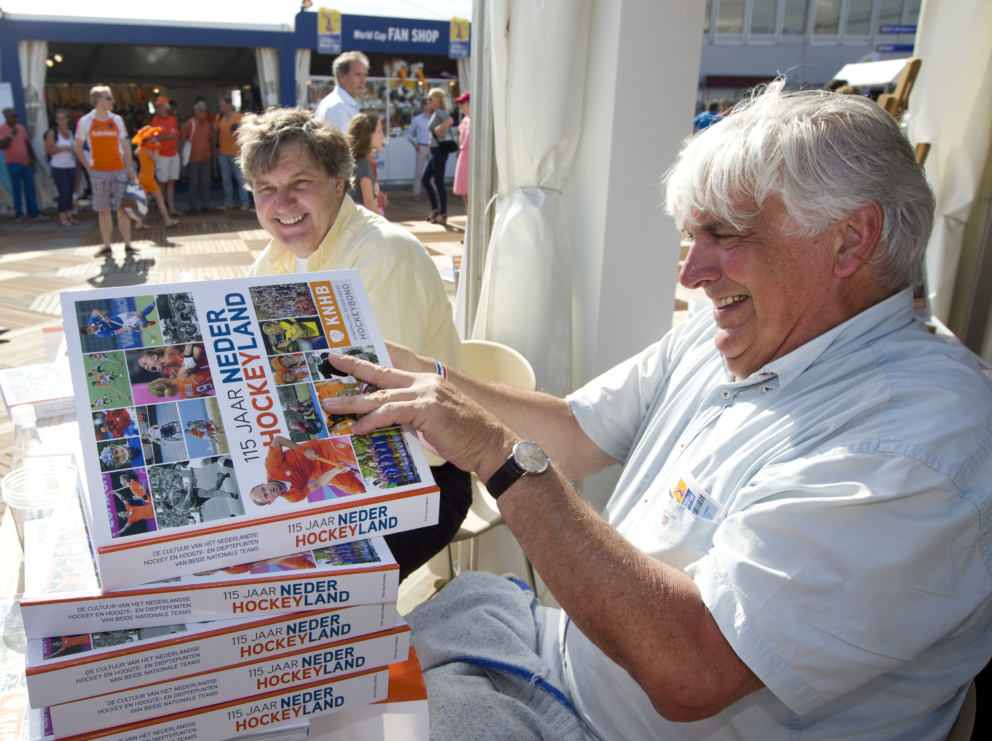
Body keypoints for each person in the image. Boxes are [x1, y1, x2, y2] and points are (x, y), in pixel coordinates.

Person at [320, 80, 992, 739]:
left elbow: (692, 670)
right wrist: (428, 380)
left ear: (851, 239)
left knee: (341, 711)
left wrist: (500, 455)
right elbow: (576, 433)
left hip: (587, 719)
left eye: (723, 233)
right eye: (690, 234)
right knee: (323, 685)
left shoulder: (922, 440)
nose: (691, 272)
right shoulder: (734, 328)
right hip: (549, 652)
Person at [236, 108, 472, 582]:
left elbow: (373, 406)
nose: (281, 203)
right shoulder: (278, 254)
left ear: (339, 181)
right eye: (265, 189)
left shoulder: (383, 255)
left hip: (419, 477)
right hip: (325, 464)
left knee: (297, 590)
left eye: (299, 182)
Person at [75, 86, 138, 257]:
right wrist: (89, 167)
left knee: (123, 208)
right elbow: (78, 146)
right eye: (108, 98)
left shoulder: (117, 120)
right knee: (103, 209)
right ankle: (107, 245)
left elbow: (125, 145)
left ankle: (127, 244)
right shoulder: (85, 122)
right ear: (98, 100)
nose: (112, 101)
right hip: (99, 170)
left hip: (119, 169)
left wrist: (130, 168)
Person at [251, 435, 365, 505]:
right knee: (361, 492)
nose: (268, 491)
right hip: (323, 473)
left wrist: (303, 451)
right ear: (271, 502)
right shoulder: (293, 497)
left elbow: (278, 440)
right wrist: (335, 471)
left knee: (357, 457)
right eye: (266, 496)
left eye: (263, 489)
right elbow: (319, 482)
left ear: (263, 484)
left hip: (320, 451)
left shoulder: (272, 467)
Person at [0, 108, 48, 222]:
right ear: (6, 117)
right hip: (12, 164)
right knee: (17, 189)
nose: (15, 118)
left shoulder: (21, 128)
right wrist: (11, 135)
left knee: (30, 188)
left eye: (16, 116)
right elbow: (1, 146)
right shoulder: (1, 130)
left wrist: (32, 157)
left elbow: (27, 143)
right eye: (12, 116)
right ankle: (19, 212)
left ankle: (33, 211)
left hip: (25, 163)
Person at [131, 125, 179, 228]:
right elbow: (156, 158)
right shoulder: (148, 148)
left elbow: (136, 153)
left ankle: (138, 223)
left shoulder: (140, 148)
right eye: (152, 137)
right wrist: (156, 147)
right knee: (160, 199)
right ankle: (167, 221)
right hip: (148, 176)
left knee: (144, 201)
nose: (154, 138)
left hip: (141, 175)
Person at [421, 88, 455, 225]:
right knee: (426, 179)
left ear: (438, 99)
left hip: (440, 150)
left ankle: (443, 212)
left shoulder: (440, 112)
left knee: (438, 181)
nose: (428, 101)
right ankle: (435, 208)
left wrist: (438, 129)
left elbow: (450, 120)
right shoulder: (436, 112)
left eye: (431, 98)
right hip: (436, 150)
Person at [314, 51, 369, 132]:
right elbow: (342, 144)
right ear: (341, 76)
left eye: (365, 75)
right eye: (358, 74)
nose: (363, 81)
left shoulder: (338, 103)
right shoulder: (340, 107)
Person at [346, 111, 388, 216]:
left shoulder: (354, 160)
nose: (382, 136)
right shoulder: (365, 162)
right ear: (367, 136)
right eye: (379, 132)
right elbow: (368, 202)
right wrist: (384, 226)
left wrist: (377, 195)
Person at [45, 108, 78, 227]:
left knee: (70, 190)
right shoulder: (53, 132)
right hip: (58, 165)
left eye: (63, 118)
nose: (61, 121)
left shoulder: (70, 132)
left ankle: (69, 215)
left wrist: (74, 150)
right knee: (63, 190)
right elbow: (48, 150)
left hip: (70, 164)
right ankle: (62, 216)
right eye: (59, 118)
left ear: (67, 119)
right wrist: (62, 149)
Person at [216, 96, 249, 210]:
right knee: (226, 179)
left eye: (223, 105)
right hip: (223, 153)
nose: (221, 108)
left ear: (229, 106)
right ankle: (228, 202)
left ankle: (245, 201)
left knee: (241, 178)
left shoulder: (240, 117)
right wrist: (215, 148)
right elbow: (216, 133)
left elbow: (248, 133)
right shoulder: (219, 117)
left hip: (237, 153)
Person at [150, 97, 182, 216]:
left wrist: (177, 152)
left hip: (173, 154)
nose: (158, 108)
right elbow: (153, 138)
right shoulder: (155, 121)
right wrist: (166, 137)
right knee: (162, 183)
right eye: (157, 106)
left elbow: (177, 136)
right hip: (162, 155)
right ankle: (162, 209)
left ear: (166, 107)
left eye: (160, 106)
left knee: (171, 182)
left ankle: (171, 207)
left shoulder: (173, 120)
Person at [180, 100, 214, 211]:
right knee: (193, 182)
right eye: (201, 110)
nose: (203, 113)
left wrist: (213, 152)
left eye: (204, 111)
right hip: (193, 158)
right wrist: (181, 154)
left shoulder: (207, 125)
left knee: (205, 182)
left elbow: (211, 140)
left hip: (205, 157)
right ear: (195, 111)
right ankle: (193, 205)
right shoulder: (190, 123)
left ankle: (205, 205)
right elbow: (182, 139)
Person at [406, 97, 432, 201]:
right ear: (423, 106)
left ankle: (433, 193)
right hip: (421, 146)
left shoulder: (434, 117)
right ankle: (417, 193)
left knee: (433, 172)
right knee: (419, 172)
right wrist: (415, 144)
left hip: (432, 147)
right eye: (427, 104)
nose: (429, 106)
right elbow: (409, 133)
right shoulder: (417, 119)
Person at [80, 305, 156, 338]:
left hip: (119, 317)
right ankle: (154, 302)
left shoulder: (91, 322)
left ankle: (145, 324)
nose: (92, 330)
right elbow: (117, 332)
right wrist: (126, 328)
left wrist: (103, 317)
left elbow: (95, 311)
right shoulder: (101, 334)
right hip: (123, 325)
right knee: (139, 315)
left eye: (89, 329)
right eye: (90, 332)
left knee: (138, 313)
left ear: (88, 326)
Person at [452, 92, 470, 209]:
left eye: (463, 103)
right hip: (464, 156)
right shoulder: (465, 120)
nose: (460, 106)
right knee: (465, 193)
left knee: (471, 191)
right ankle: (469, 219)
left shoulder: (476, 120)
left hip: (471, 158)